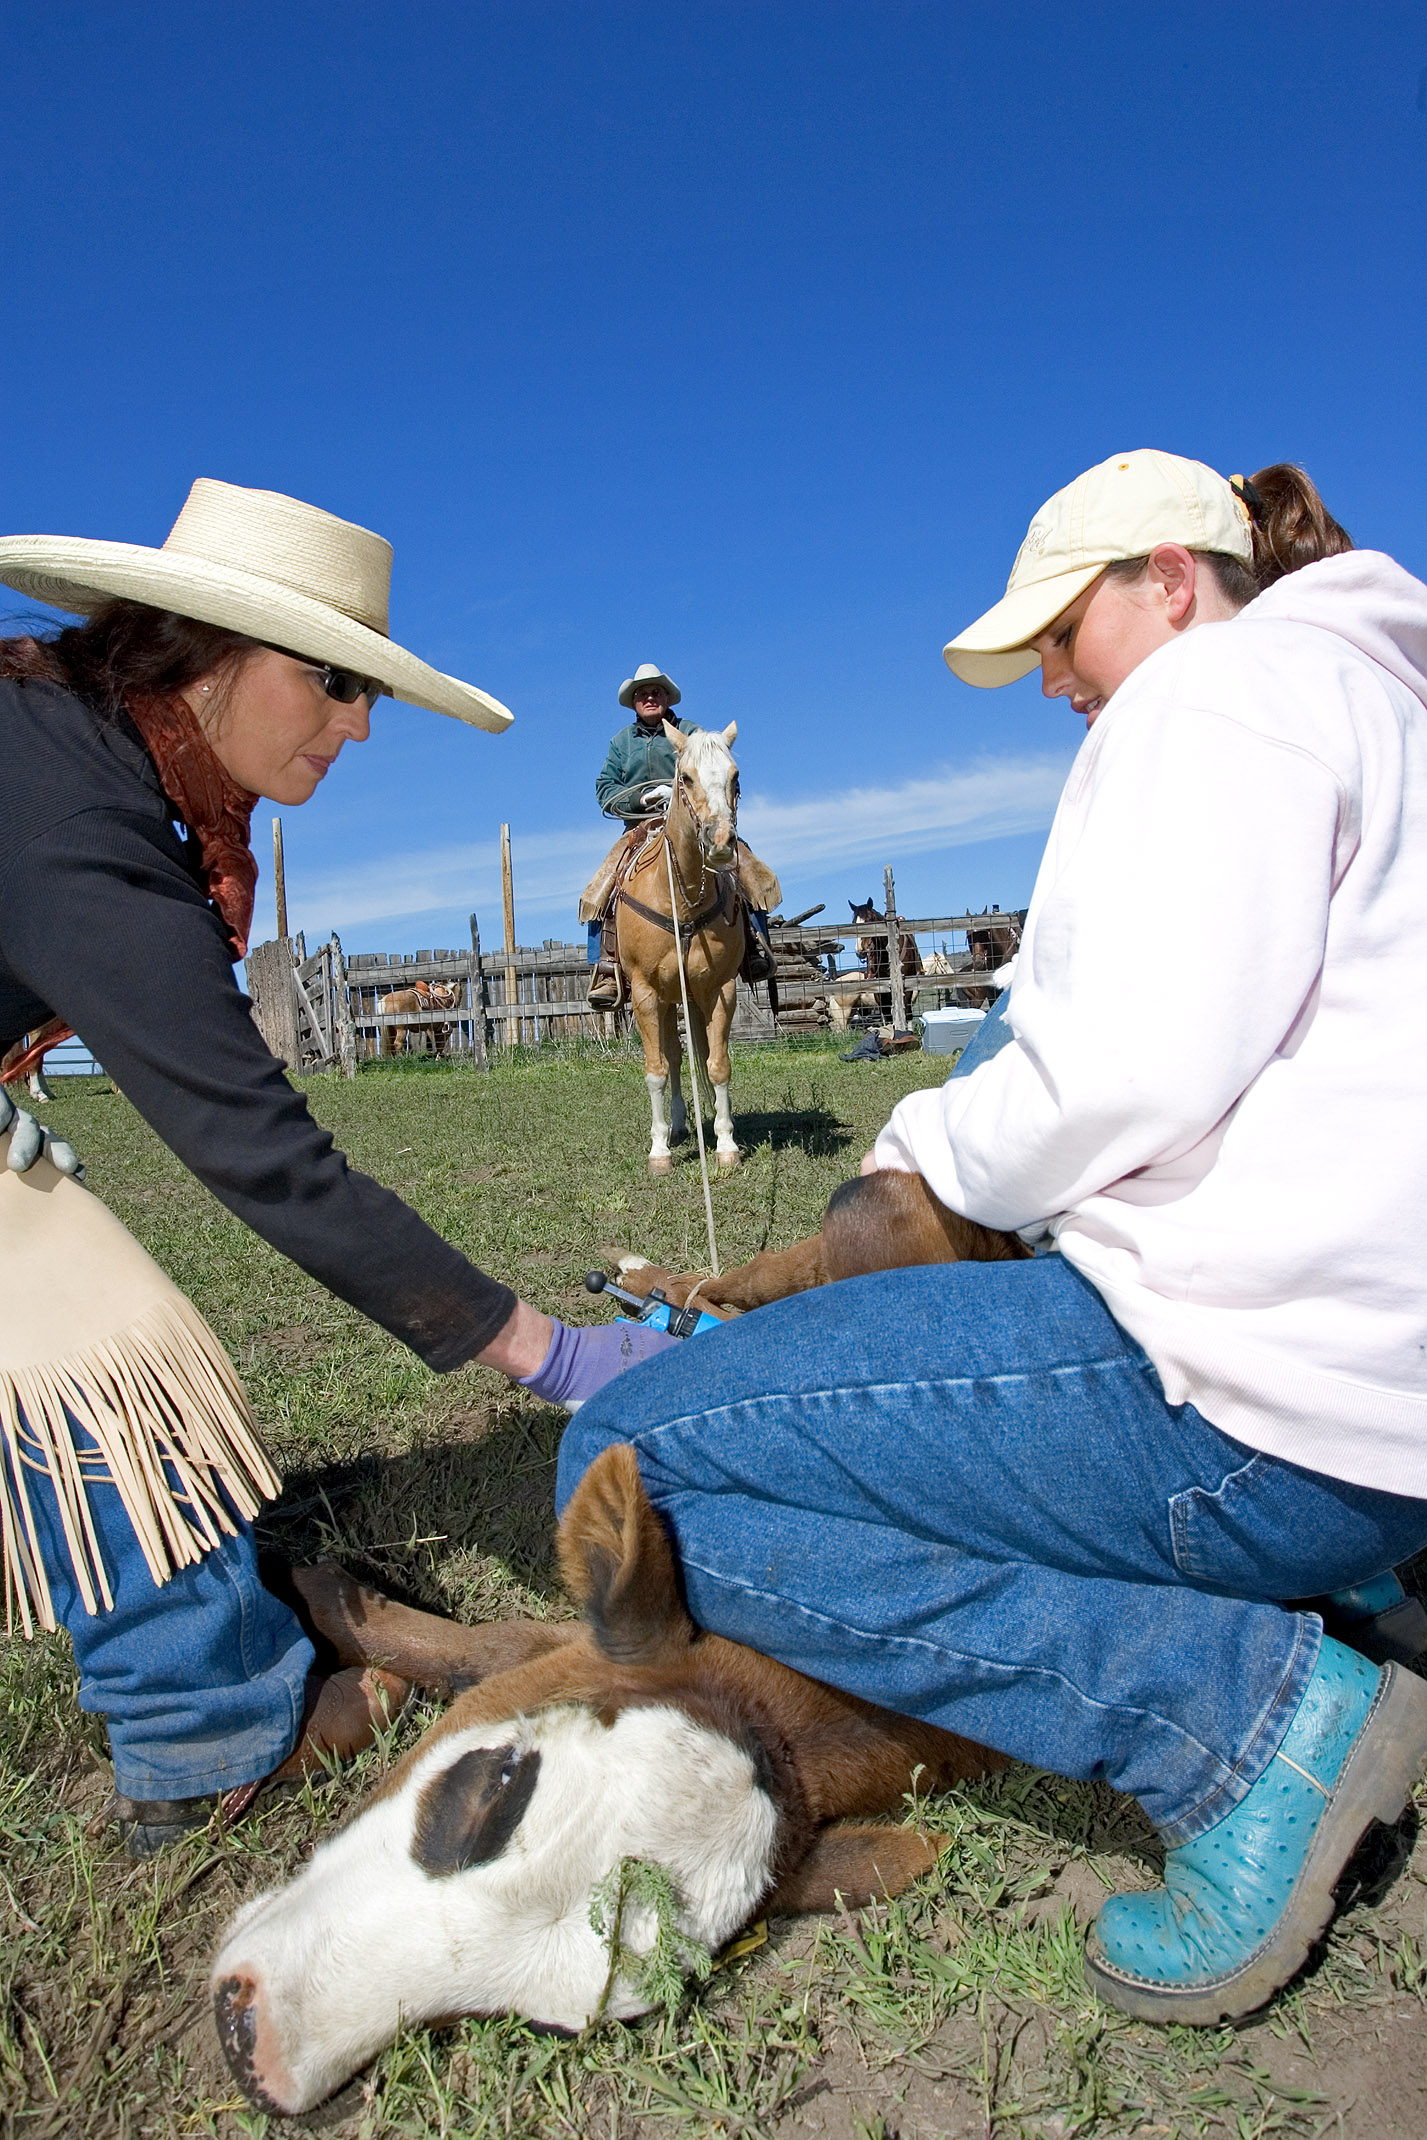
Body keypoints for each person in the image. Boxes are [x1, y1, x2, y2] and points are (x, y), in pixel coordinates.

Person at [560, 449, 1427, 2027]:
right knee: (609, 887)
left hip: (1250, 1413)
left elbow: (1130, 1069)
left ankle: (1225, 1716)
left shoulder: (1209, 698)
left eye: (1061, 632)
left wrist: (918, 1147)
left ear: (1168, 580)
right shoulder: (1378, 698)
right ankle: (1338, 1592)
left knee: (627, 1465)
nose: (1047, 679)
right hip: (1380, 1416)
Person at [0, 479, 675, 1856]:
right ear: (198, 649)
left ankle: (220, 1573)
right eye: (330, 682)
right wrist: (550, 1356)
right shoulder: (72, 810)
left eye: (368, 691)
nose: (360, 723)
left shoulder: (66, 749)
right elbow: (261, 1152)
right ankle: (203, 1735)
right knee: (93, 1349)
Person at [584, 663, 777, 1007]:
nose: (650, 697)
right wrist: (642, 797)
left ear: (667, 697)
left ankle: (754, 942)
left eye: (656, 691)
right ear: (634, 702)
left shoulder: (691, 732)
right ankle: (606, 968)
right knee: (604, 883)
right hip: (641, 826)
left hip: (696, 821)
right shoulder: (621, 743)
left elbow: (714, 770)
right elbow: (605, 789)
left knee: (743, 863)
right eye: (642, 693)